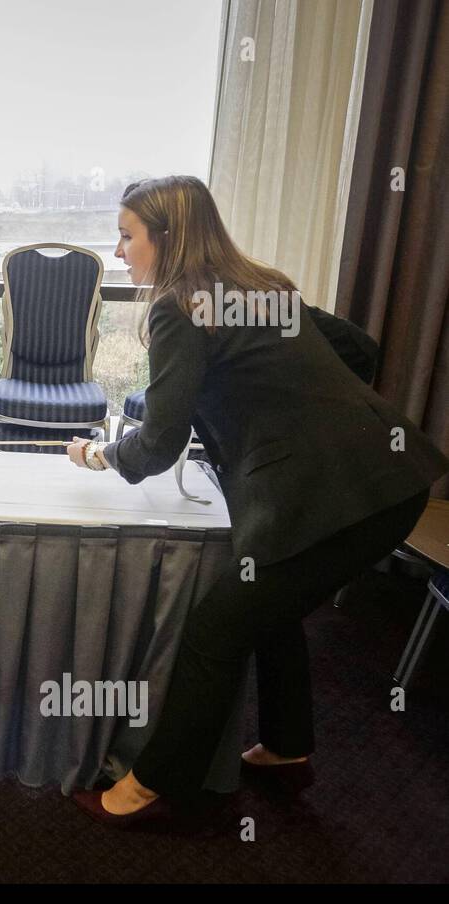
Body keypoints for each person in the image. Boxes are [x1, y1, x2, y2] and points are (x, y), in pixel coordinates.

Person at [65, 175, 448, 827]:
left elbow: (159, 443)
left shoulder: (177, 308)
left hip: (340, 501)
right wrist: (300, 415)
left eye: (127, 236)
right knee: (272, 611)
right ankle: (286, 748)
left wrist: (101, 454)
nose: (119, 250)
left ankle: (152, 785)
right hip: (391, 476)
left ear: (166, 235)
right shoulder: (261, 285)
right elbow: (361, 350)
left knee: (216, 630)